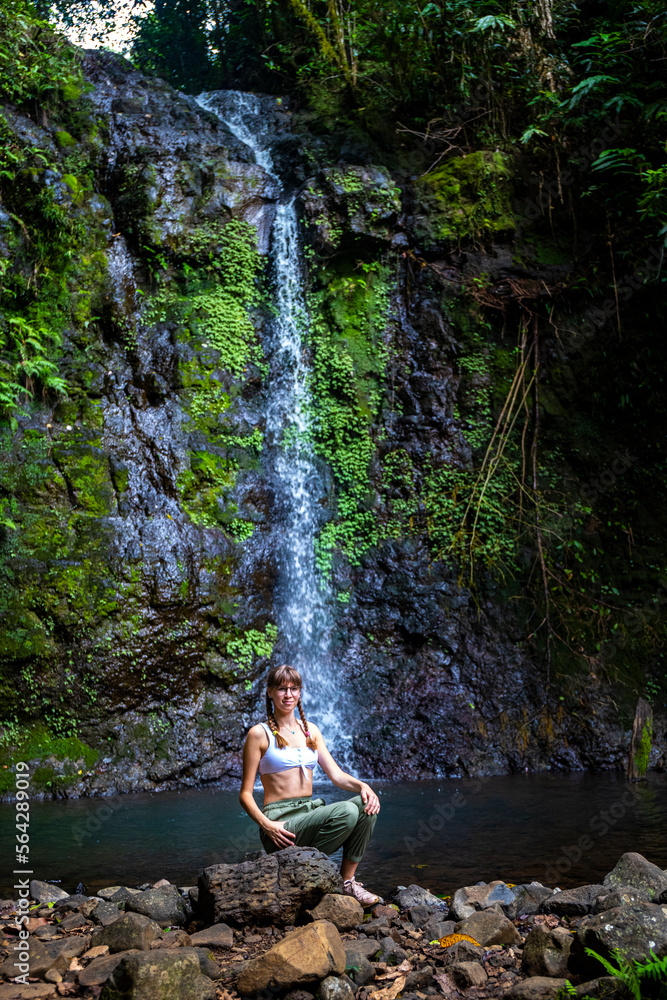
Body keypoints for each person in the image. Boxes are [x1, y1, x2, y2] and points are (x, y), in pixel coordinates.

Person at [240, 663, 381, 906]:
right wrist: (268, 826)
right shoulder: (259, 734)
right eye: (282, 689)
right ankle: (307, 867)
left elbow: (336, 776)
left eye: (294, 688)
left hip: (309, 813)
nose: (288, 694)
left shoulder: (311, 731)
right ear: (270, 692)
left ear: (300, 693)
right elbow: (245, 794)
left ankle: (347, 882)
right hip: (280, 823)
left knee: (365, 804)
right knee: (346, 811)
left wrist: (362, 786)